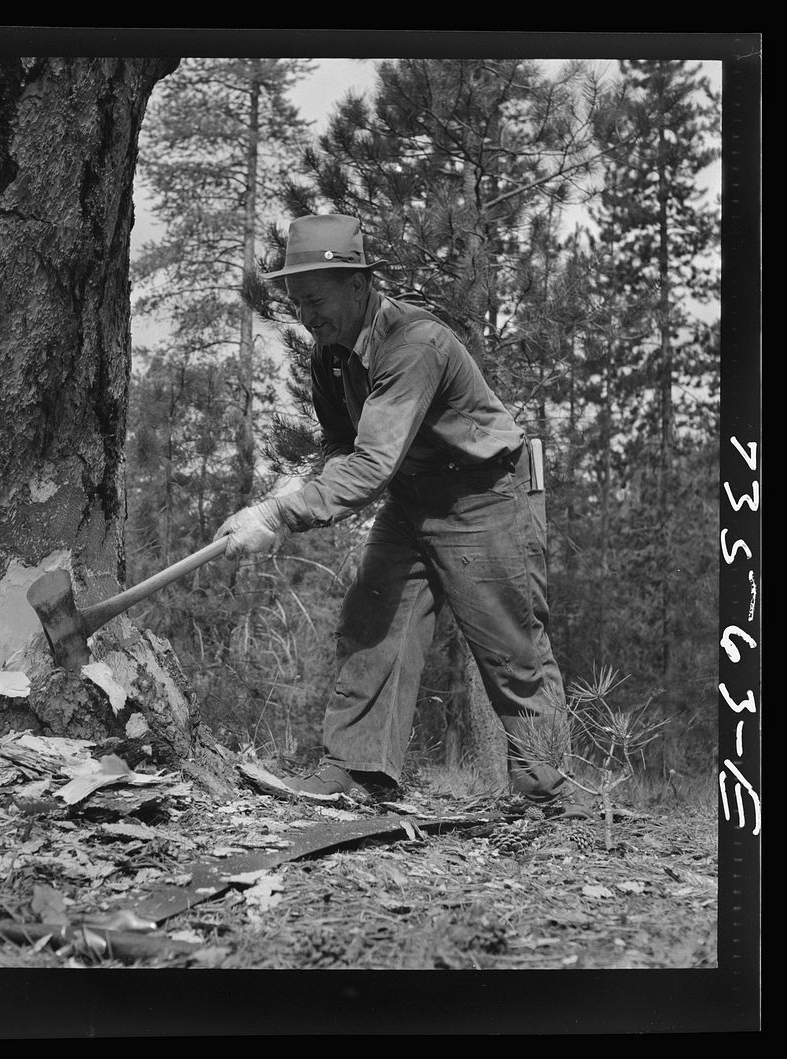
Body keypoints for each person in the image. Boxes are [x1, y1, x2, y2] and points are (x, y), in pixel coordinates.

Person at [215, 213, 576, 807]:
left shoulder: (414, 345)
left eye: (315, 301)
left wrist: (278, 516)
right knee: (371, 619)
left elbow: (372, 464)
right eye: (297, 304)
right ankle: (358, 771)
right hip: (412, 497)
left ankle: (552, 794)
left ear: (359, 285)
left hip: (483, 495)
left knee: (511, 649)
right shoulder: (330, 355)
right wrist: (303, 488)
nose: (306, 318)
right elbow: (342, 443)